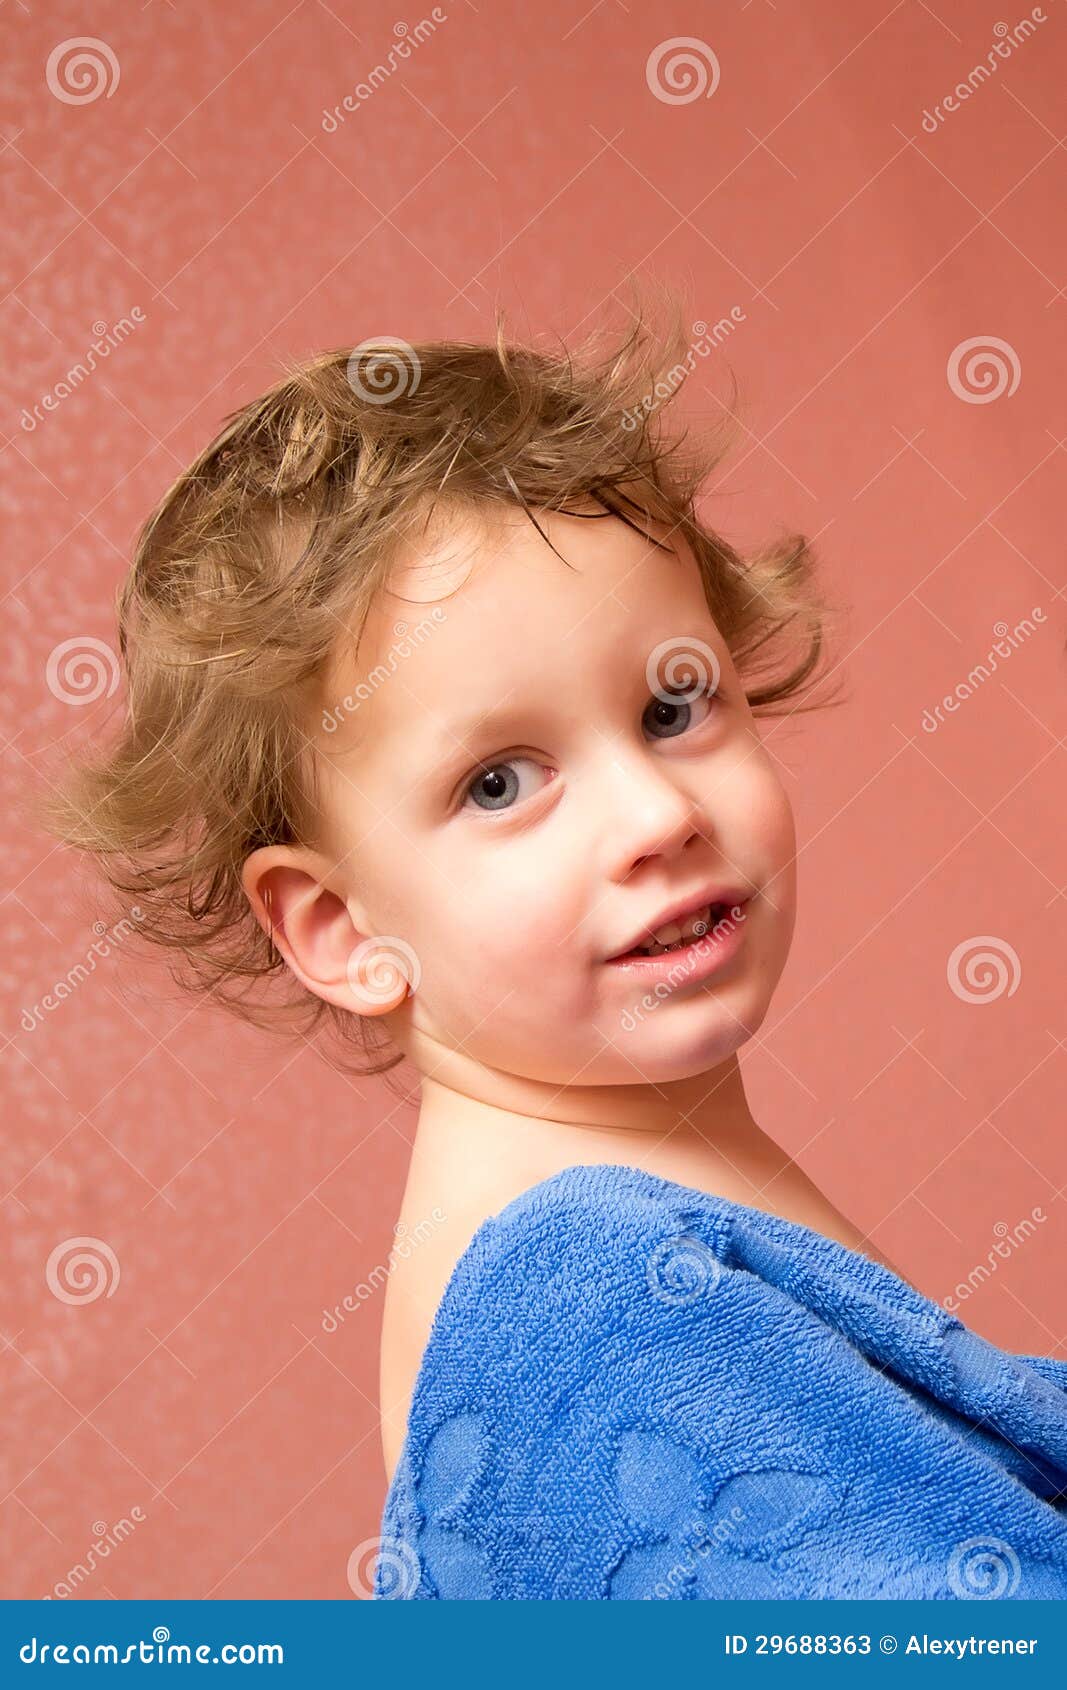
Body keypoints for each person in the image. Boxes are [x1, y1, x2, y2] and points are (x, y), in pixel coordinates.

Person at [36, 297, 1067, 1600]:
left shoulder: (631, 1213)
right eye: (499, 782)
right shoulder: (579, 1306)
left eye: (672, 703)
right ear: (343, 928)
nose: (657, 816)